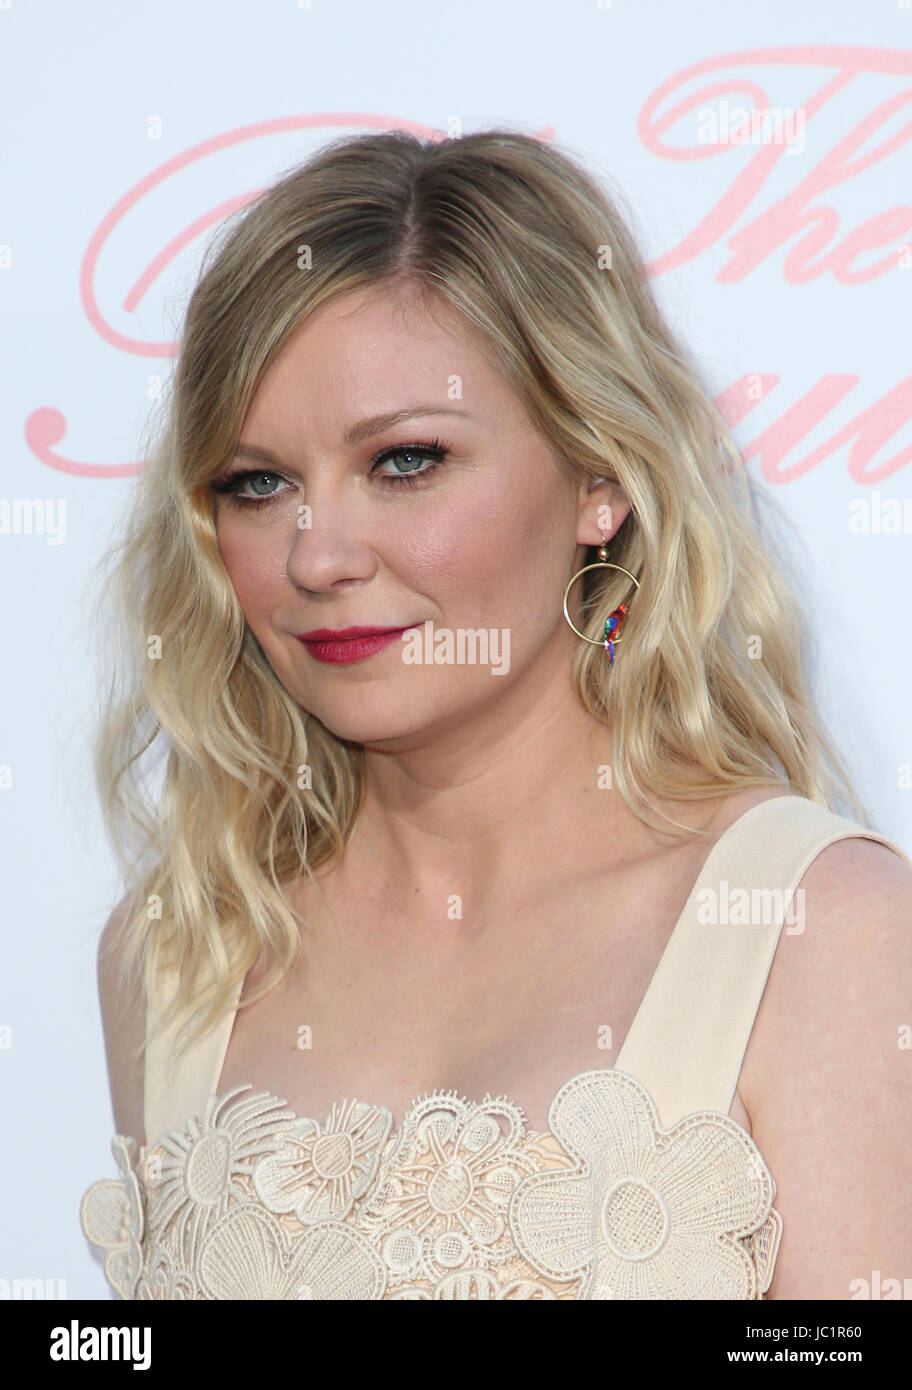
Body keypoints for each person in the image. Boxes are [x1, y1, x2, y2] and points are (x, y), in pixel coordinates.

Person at [80, 129, 912, 1301]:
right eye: (256, 483)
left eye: (407, 460)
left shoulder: (822, 930)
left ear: (600, 477)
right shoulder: (181, 950)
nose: (317, 555)